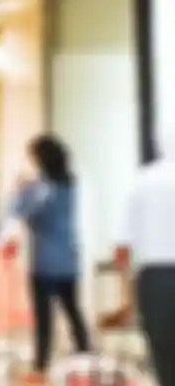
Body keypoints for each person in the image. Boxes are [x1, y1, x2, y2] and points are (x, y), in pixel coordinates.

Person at [11, 135, 90, 382]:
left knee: (43, 318)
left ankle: (40, 367)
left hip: (44, 262)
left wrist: (20, 189)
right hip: (68, 259)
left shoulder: (39, 189)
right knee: (73, 311)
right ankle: (85, 357)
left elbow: (20, 213)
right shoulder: (71, 185)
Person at [113, 148, 175, 386]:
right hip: (154, 275)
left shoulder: (143, 181)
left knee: (163, 354)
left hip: (155, 280)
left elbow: (122, 247)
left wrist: (125, 297)